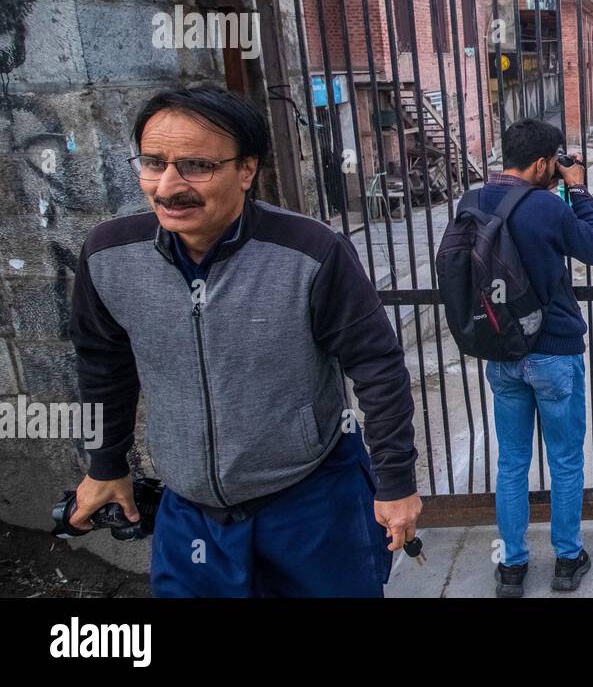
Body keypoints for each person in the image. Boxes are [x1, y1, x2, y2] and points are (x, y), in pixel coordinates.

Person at [68, 86, 420, 597]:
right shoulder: (109, 255)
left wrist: (396, 483)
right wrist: (105, 465)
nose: (168, 186)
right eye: (153, 162)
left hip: (311, 500)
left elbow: (377, 366)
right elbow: (102, 365)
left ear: (246, 170)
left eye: (195, 166)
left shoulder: (311, 252)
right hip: (190, 514)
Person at [478, 119, 593, 596]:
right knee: (566, 460)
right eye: (555, 162)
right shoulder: (548, 208)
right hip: (553, 351)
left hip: (501, 352)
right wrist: (579, 191)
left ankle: (512, 566)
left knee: (511, 462)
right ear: (541, 164)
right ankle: (567, 560)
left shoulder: (472, 202)